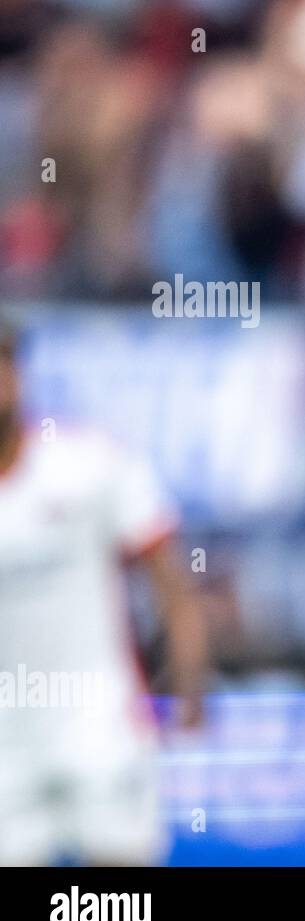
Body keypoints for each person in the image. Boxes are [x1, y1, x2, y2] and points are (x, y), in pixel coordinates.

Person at [0, 319, 208, 865]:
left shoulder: (90, 463)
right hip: (6, 746)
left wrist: (188, 681)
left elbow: (171, 583)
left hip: (100, 721)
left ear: (18, 374)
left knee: (116, 906)